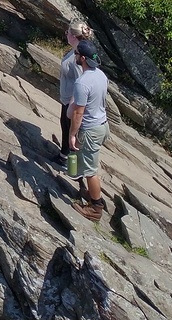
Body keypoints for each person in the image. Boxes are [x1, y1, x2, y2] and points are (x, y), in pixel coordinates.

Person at [69, 40, 110, 221]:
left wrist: (72, 134)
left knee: (90, 171)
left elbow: (78, 113)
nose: (75, 56)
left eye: (76, 54)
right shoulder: (101, 75)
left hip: (90, 129)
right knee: (82, 160)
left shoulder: (82, 82)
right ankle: (87, 191)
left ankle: (96, 208)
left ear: (83, 58)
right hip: (102, 125)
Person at [55, 20, 95, 166]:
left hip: (72, 103)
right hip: (66, 100)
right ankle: (62, 156)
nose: (66, 34)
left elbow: (81, 82)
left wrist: (72, 106)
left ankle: (73, 171)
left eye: (68, 32)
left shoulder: (78, 56)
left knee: (72, 137)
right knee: (66, 131)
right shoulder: (74, 51)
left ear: (74, 36)